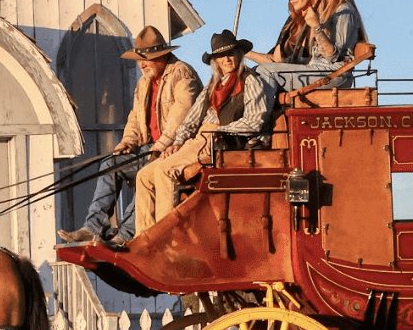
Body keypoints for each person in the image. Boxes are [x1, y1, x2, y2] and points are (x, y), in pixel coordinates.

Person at [58, 26, 200, 247]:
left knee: (145, 175)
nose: (142, 65)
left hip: (175, 149)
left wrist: (162, 145)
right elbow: (135, 116)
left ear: (162, 56)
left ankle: (125, 235)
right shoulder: (144, 82)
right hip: (149, 147)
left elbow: (181, 113)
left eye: (147, 60)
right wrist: (128, 141)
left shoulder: (181, 73)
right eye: (139, 60)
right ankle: (92, 228)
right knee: (110, 165)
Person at [132, 31, 277, 235]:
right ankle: (143, 235)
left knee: (165, 171)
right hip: (198, 138)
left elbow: (255, 120)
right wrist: (178, 142)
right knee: (144, 175)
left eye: (230, 54)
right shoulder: (213, 85)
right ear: (215, 61)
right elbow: (192, 118)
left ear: (238, 54)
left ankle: (165, 236)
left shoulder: (250, 81)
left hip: (220, 139)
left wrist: (220, 131)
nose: (227, 59)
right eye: (221, 56)